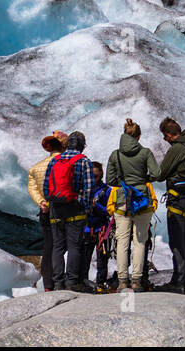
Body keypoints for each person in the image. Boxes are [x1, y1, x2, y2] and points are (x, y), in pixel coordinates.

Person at [106, 119, 160, 291]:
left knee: (122, 242)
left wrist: (124, 182)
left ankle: (122, 281)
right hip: (142, 201)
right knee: (140, 242)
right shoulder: (145, 153)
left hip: (122, 201)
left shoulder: (115, 155)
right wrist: (142, 181)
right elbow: (157, 173)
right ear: (138, 136)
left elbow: (110, 180)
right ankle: (136, 280)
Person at [154, 118, 185, 296]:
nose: (165, 141)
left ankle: (178, 283)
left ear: (170, 134)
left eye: (165, 137)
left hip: (177, 202)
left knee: (177, 244)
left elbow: (160, 173)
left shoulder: (178, 148)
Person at [47, 131, 97, 292]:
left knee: (58, 247)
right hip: (75, 207)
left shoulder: (54, 160)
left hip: (56, 208)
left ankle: (57, 282)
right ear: (82, 146)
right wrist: (87, 208)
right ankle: (71, 281)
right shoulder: (84, 161)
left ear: (67, 145)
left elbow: (46, 187)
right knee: (74, 245)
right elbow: (89, 189)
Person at [28, 131, 65, 291]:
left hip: (45, 211)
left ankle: (48, 285)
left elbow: (32, 188)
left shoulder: (36, 168)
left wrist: (42, 202)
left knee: (49, 247)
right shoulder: (67, 163)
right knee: (68, 246)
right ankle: (65, 281)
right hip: (65, 209)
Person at [80, 162, 114, 293]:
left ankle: (101, 282)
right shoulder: (82, 190)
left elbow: (109, 212)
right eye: (91, 175)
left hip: (102, 229)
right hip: (86, 228)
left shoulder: (106, 190)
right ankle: (83, 281)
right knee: (85, 258)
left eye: (96, 174)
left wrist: (95, 206)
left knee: (102, 259)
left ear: (101, 175)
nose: (94, 177)